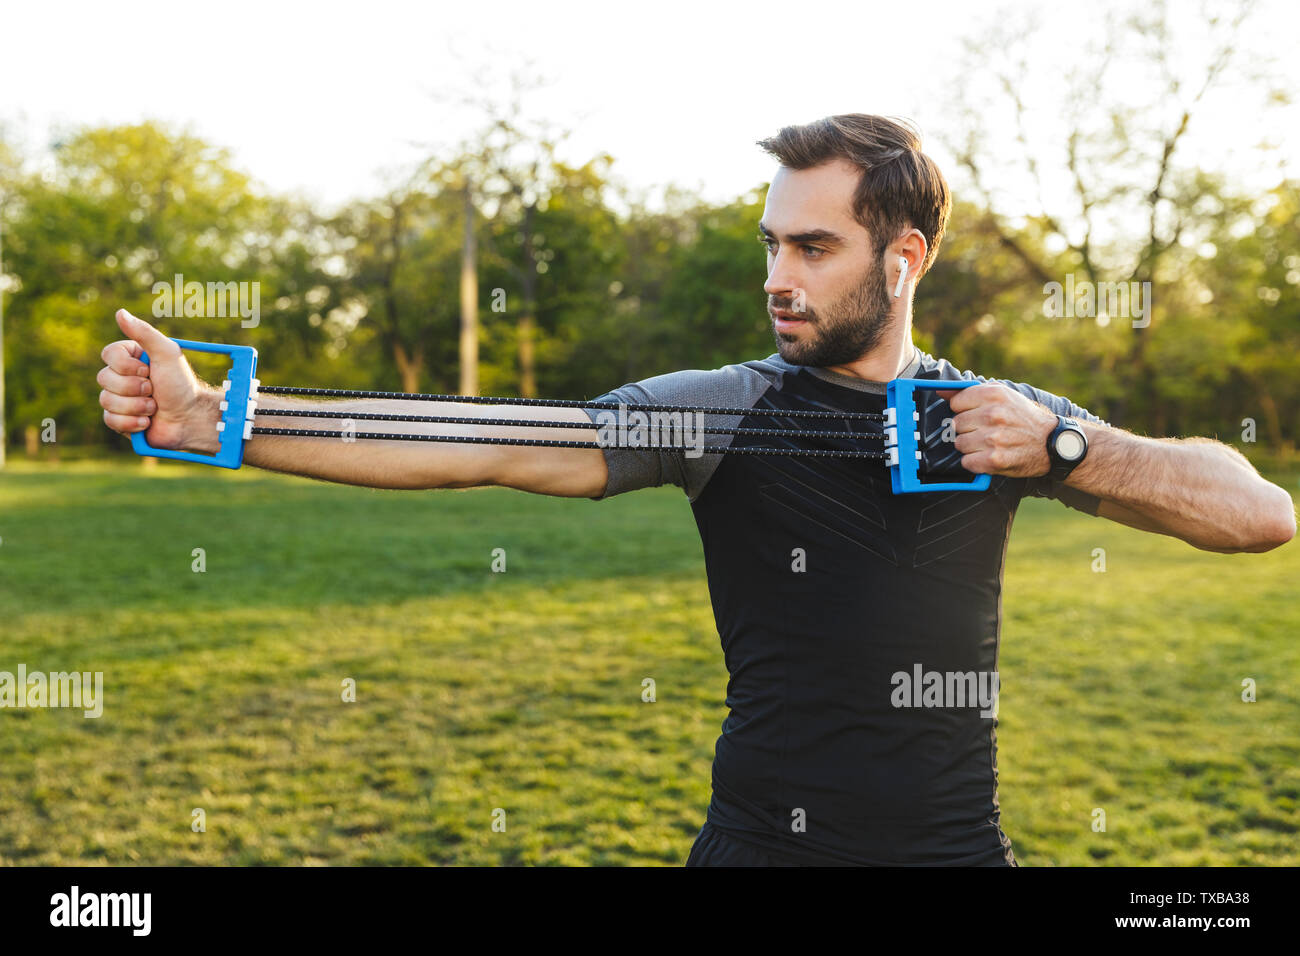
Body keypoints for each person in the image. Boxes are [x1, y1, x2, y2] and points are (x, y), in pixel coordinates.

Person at [97, 113, 1296, 866]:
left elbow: (1257, 514)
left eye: (811, 248)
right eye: (770, 243)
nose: (778, 275)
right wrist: (221, 419)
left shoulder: (990, 419)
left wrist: (1071, 451)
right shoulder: (722, 407)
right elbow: (489, 436)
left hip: (950, 848)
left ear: (903, 258)